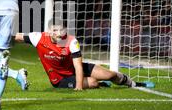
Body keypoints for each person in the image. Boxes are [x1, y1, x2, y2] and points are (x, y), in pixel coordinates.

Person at [15, 18, 155, 90]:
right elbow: (17, 36)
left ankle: (135, 83)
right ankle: (101, 84)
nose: (59, 33)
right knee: (93, 82)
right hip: (60, 79)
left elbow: (78, 66)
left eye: (62, 30)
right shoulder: (38, 37)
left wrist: (79, 86)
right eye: (56, 30)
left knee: (111, 74)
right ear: (49, 31)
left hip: (75, 69)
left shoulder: (71, 41)